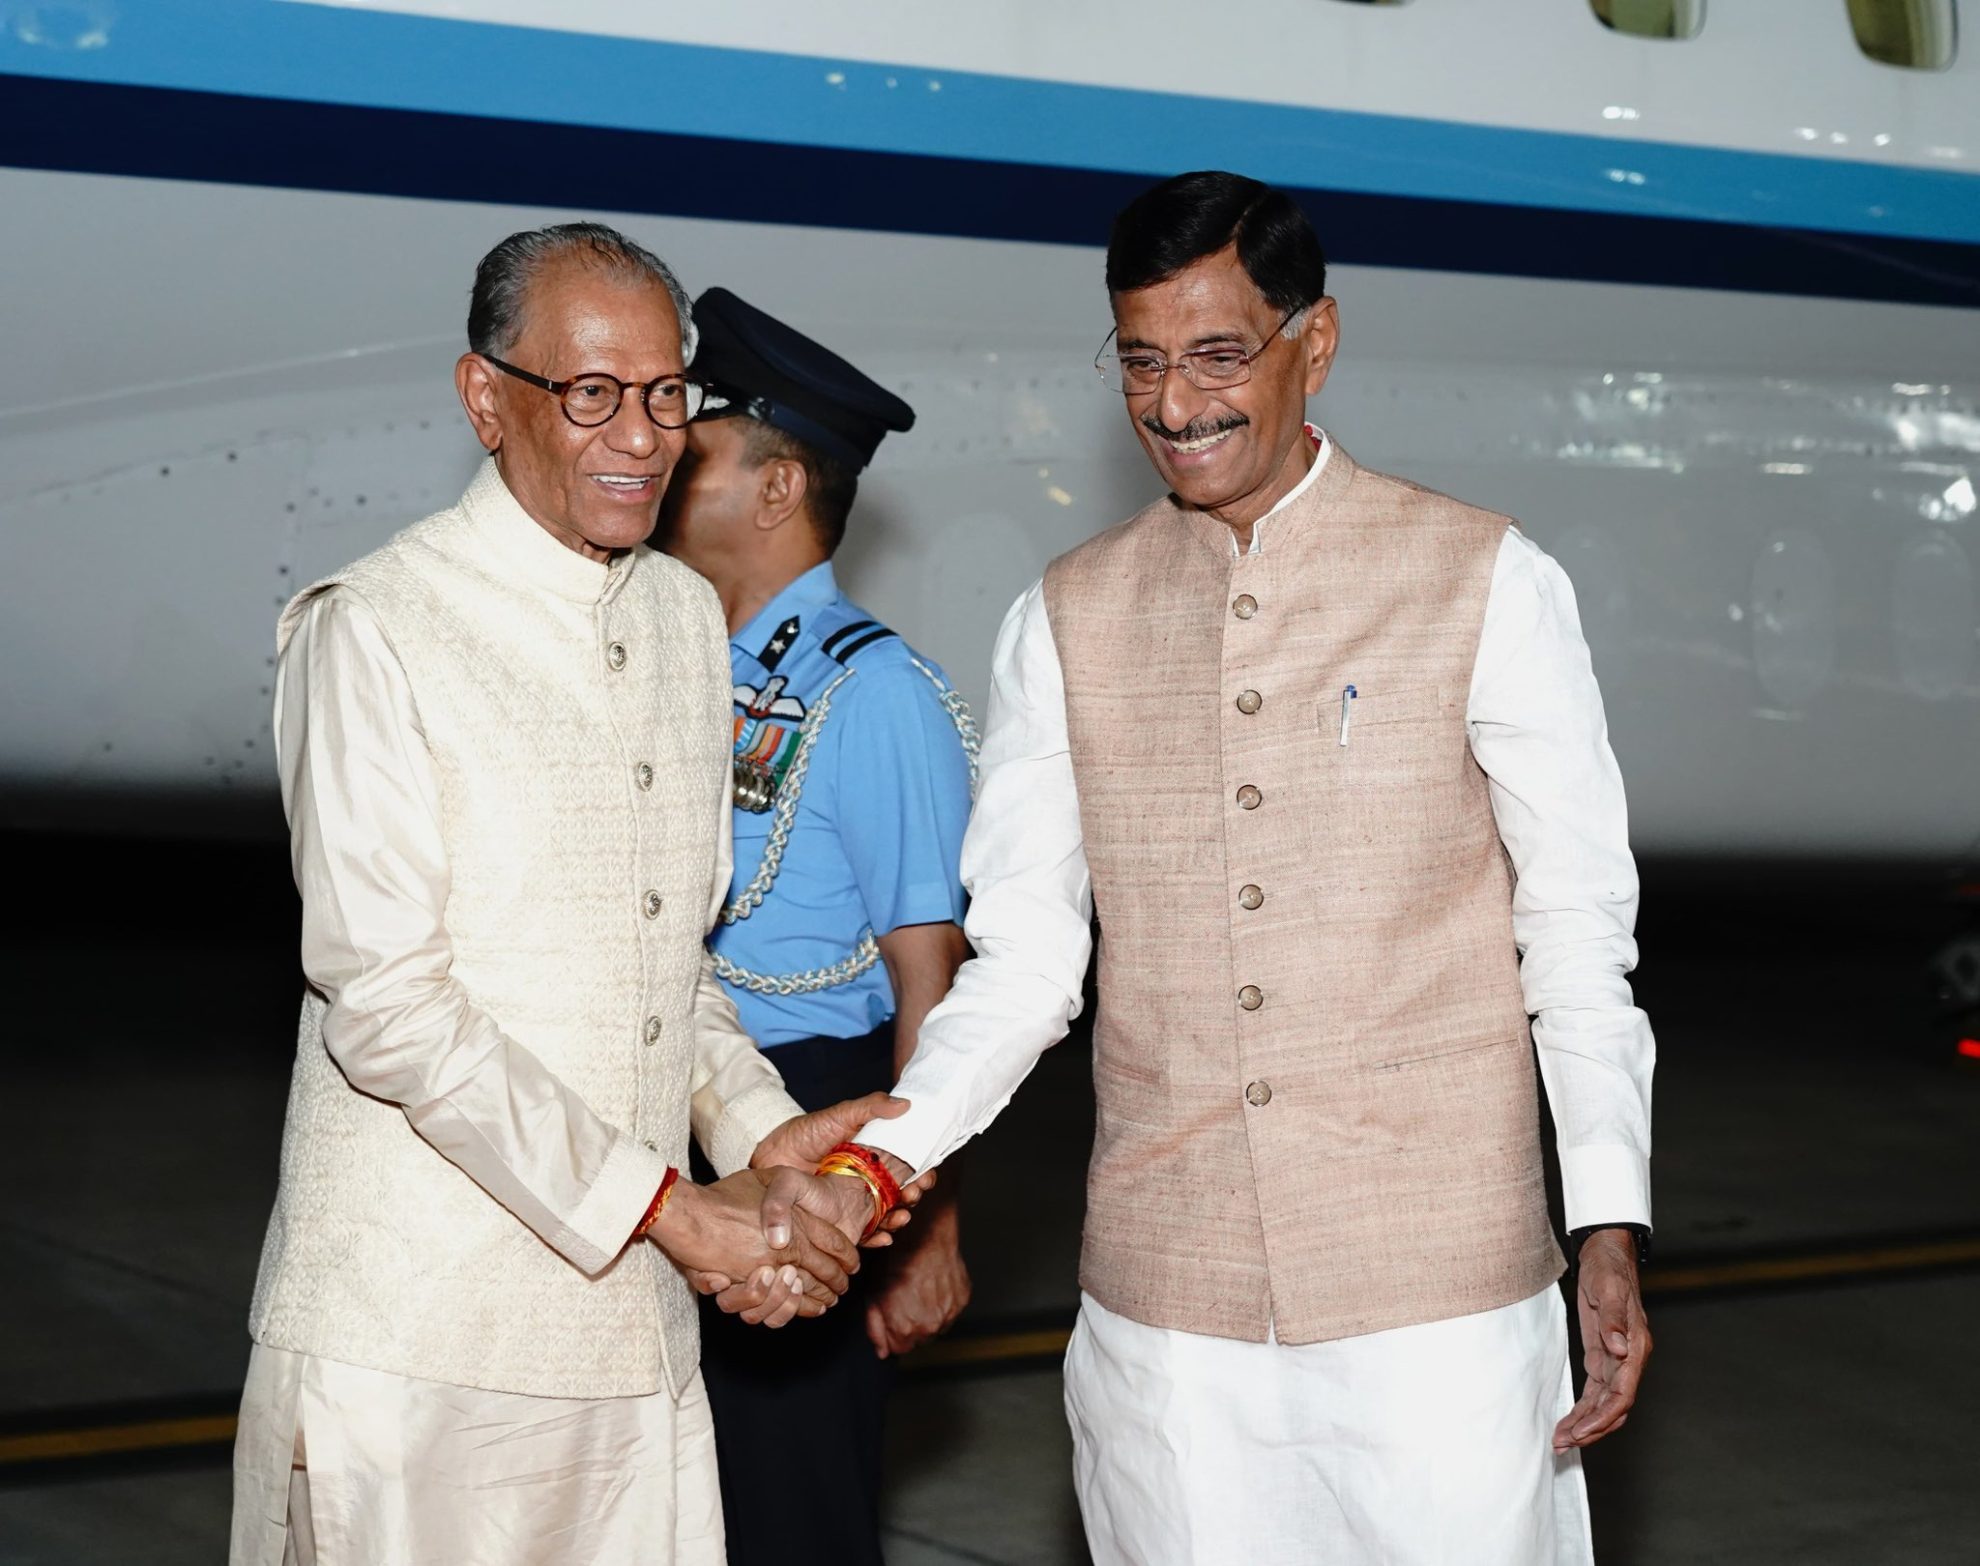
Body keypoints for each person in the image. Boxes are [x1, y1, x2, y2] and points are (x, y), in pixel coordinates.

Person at [849, 172, 1657, 1564]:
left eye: (1218, 355)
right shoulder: (1064, 615)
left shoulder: (1484, 577)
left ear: (1314, 342)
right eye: (1141, 362)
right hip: (1168, 1326)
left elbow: (1576, 929)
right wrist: (877, 1164)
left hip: (1438, 1311)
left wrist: (1607, 1218)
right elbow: (1026, 963)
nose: (1176, 405)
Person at [228, 223, 902, 1566]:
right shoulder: (376, 629)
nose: (641, 437)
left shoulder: (678, 618)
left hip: (630, 1340)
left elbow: (667, 966)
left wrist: (767, 1140)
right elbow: (389, 1011)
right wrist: (679, 1213)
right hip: (420, 1344)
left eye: (667, 394)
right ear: (488, 400)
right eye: (591, 393)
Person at [659, 286, 976, 1566]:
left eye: (698, 447)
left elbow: (932, 974)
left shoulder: (876, 691)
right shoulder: (676, 659)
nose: (658, 456)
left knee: (787, 1506)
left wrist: (924, 1220)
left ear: (779, 487)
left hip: (817, 1111)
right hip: (685, 1103)